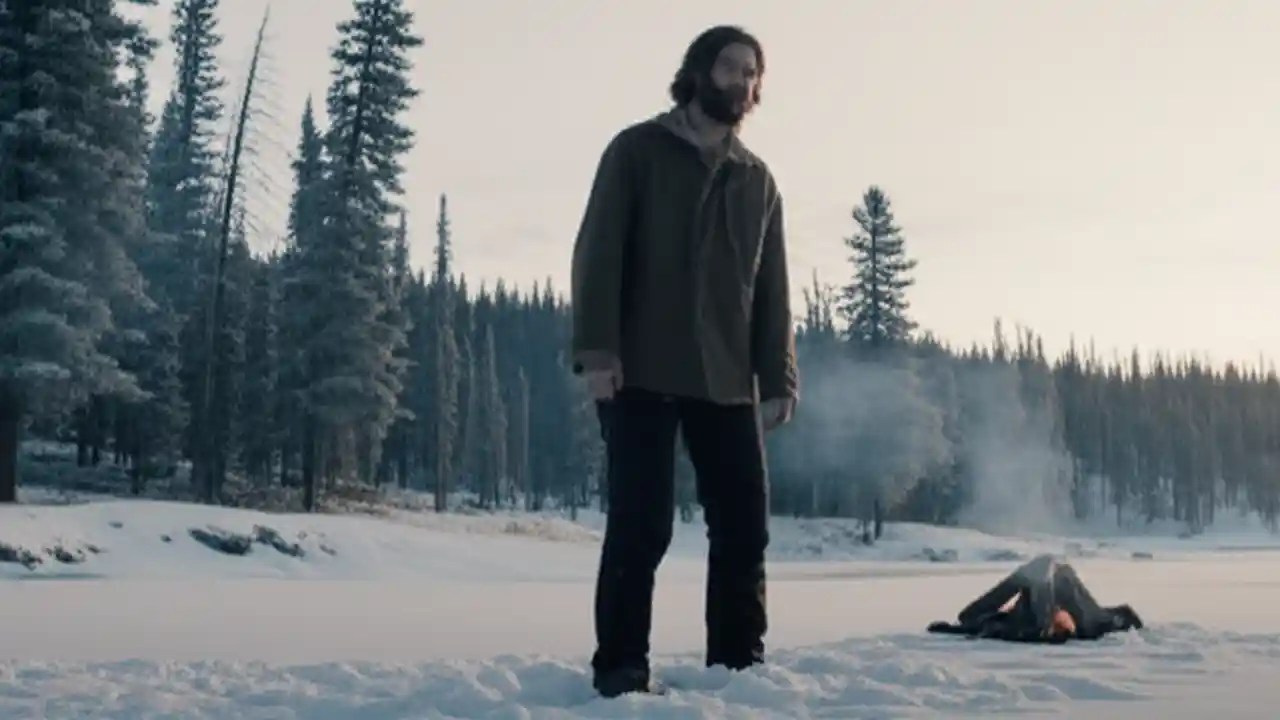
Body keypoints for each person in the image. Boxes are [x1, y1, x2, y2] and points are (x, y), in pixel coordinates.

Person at [569, 24, 799, 698]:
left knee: (744, 527)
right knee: (641, 526)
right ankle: (620, 669)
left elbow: (773, 288)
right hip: (639, 369)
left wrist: (777, 375)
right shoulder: (637, 151)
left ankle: (736, 669)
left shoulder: (757, 180)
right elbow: (598, 251)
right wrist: (598, 353)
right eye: (730, 68)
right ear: (698, 72)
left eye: (752, 73)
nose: (742, 82)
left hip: (726, 379)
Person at [927, 554, 1145, 643]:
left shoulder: (1090, 621)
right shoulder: (1088, 616)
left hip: (1039, 622)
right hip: (1040, 616)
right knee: (1049, 570)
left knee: (1047, 568)